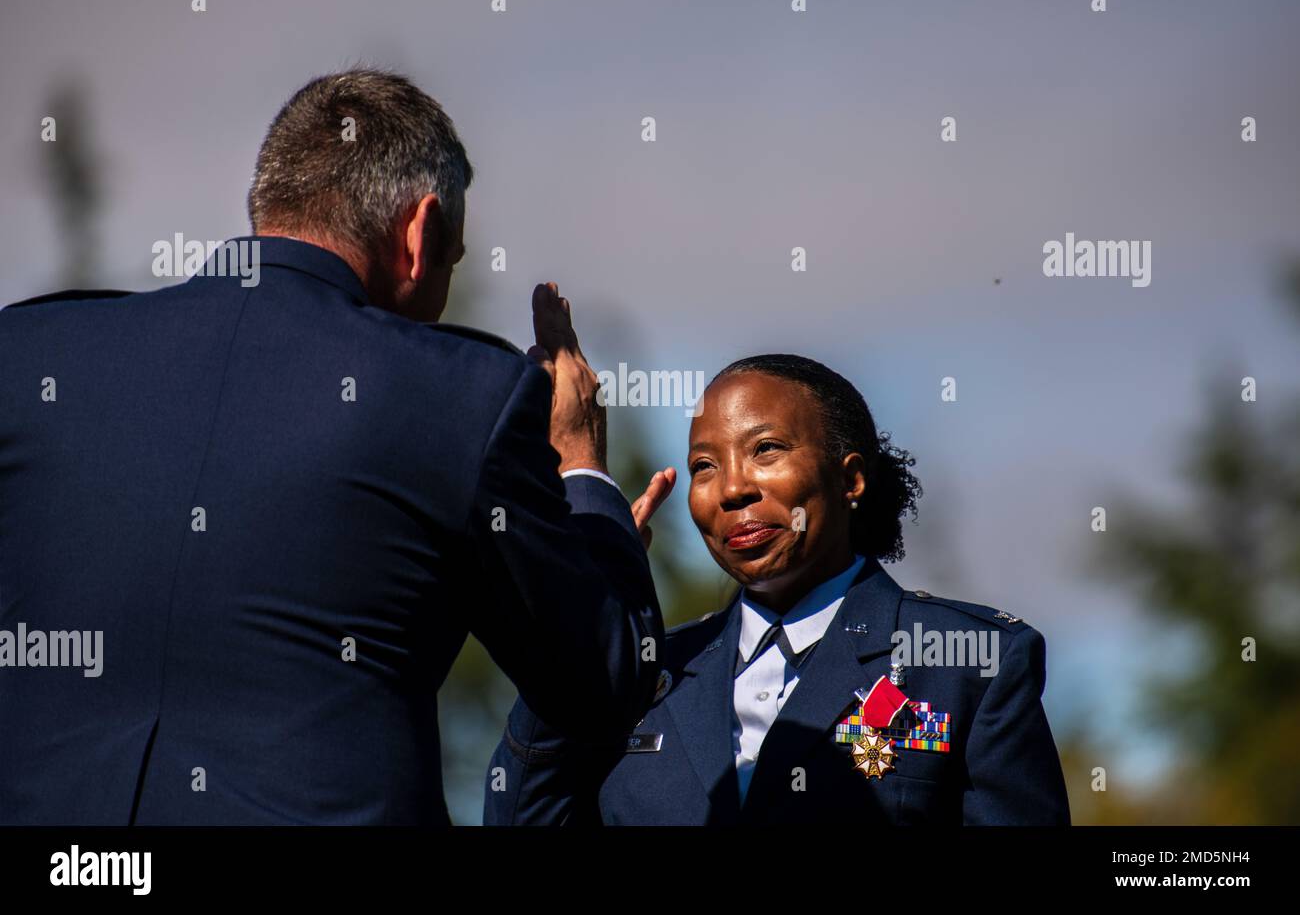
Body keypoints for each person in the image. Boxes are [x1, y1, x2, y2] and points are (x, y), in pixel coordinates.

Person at [0, 69, 663, 824]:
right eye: (456, 255)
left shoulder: (28, 355)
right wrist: (580, 471)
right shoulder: (465, 395)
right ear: (422, 232)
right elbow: (605, 681)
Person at [485, 354, 1071, 824]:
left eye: (766, 449)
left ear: (849, 479)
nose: (731, 488)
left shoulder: (970, 665)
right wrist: (582, 621)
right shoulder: (643, 673)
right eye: (704, 467)